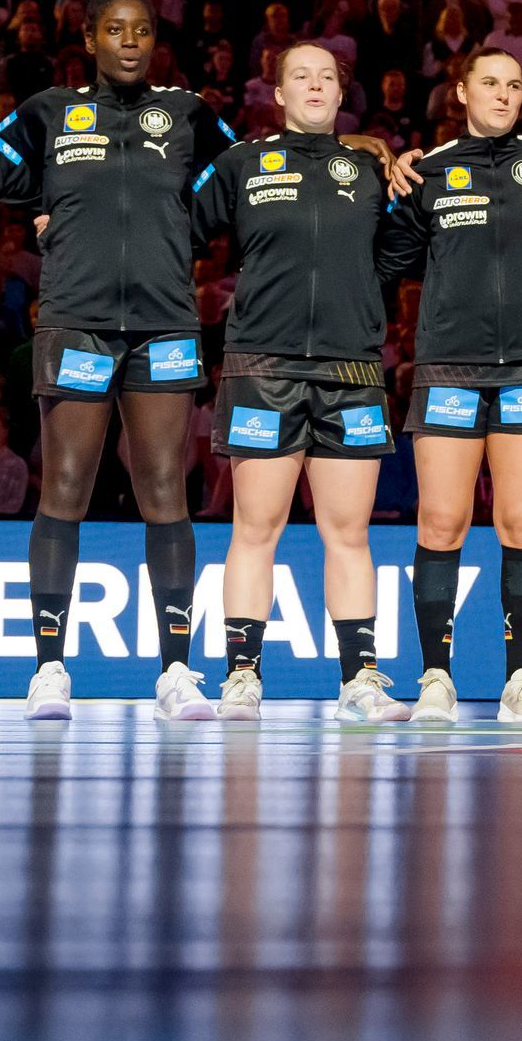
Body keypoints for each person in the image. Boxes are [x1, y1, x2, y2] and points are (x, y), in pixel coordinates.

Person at [0, 0, 238, 722]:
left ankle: (174, 670)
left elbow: (243, 177)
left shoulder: (190, 112)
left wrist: (174, 241)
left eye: (143, 30)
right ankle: (49, 669)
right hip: (76, 316)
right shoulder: (48, 112)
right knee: (64, 481)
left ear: (156, 41)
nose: (130, 42)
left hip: (165, 318)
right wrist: (38, 214)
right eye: (115, 30)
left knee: (165, 485)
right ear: (90, 37)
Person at [192, 39, 400, 722]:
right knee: (256, 527)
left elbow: (409, 248)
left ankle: (360, 680)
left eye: (327, 77)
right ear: (276, 94)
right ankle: (242, 676)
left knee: (349, 531)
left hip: (351, 369)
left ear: (342, 94)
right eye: (299, 76)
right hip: (264, 366)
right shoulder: (244, 164)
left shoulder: (372, 169)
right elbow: (177, 227)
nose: (314, 85)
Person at [378, 50, 522, 724]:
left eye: (515, 84)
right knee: (441, 521)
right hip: (449, 366)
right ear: (460, 90)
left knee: (521, 523)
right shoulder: (429, 170)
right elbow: (386, 256)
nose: (503, 93)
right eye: (489, 82)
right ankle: (436, 675)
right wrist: (384, 171)